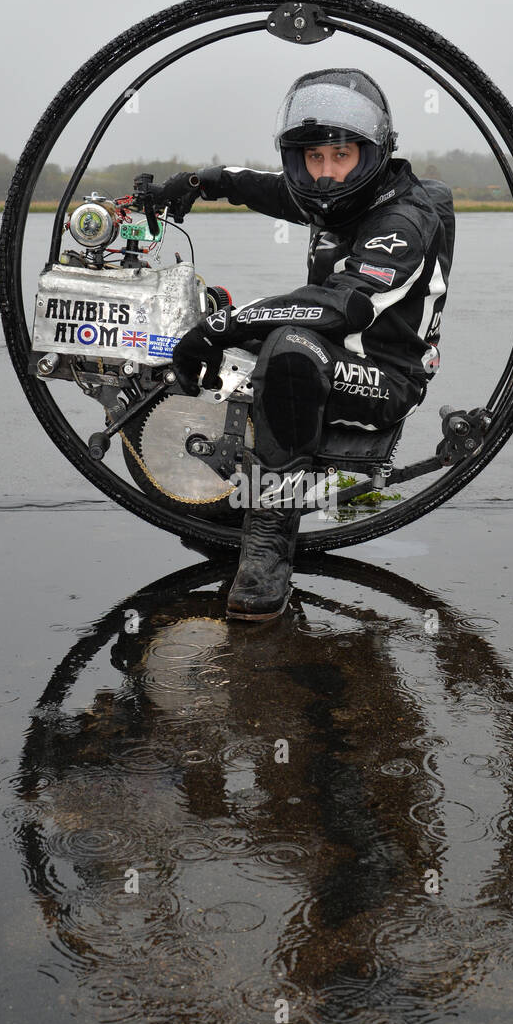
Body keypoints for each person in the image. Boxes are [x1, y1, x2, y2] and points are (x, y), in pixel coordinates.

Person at [157, 68, 455, 621]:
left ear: (373, 154)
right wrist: (201, 182)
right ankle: (226, 507)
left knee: (289, 345)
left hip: (383, 376)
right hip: (334, 350)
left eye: (340, 157)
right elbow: (262, 187)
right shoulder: (329, 197)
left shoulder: (404, 217)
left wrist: (223, 327)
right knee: (257, 333)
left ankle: (269, 541)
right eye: (312, 159)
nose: (326, 175)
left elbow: (343, 305)